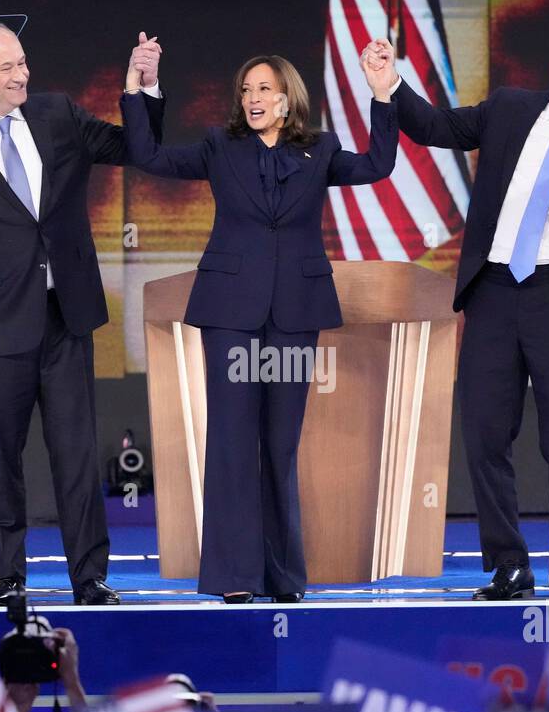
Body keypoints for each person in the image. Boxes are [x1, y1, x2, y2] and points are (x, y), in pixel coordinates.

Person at [364, 34, 549, 600]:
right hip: (492, 291)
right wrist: (388, 87)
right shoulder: (511, 106)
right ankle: (509, 565)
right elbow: (439, 127)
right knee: (485, 432)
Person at [0, 21, 168, 606]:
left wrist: (142, 90)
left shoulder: (57, 116)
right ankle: (9, 576)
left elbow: (135, 148)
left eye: (23, 62)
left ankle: (90, 577)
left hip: (64, 316)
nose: (22, 74)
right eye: (7, 68)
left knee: (75, 451)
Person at [120, 50, 398, 602]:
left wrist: (384, 95)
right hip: (229, 315)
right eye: (247, 89)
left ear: (287, 97)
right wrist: (139, 88)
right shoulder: (219, 148)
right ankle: (235, 578)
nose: (253, 98)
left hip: (295, 315)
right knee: (231, 439)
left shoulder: (320, 150)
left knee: (279, 441)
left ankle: (282, 576)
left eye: (265, 89)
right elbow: (148, 155)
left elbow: (378, 166)